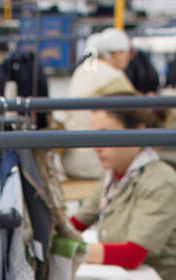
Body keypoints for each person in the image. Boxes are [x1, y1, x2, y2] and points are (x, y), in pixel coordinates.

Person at [70, 105, 176, 280]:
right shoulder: (115, 174)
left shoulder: (161, 182)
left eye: (106, 135)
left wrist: (65, 249)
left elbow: (131, 255)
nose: (97, 146)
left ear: (138, 133)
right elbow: (77, 222)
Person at [56, 29, 133, 179]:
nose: (128, 59)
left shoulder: (83, 69)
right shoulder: (114, 77)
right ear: (116, 53)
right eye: (127, 53)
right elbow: (138, 113)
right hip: (93, 163)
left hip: (68, 160)